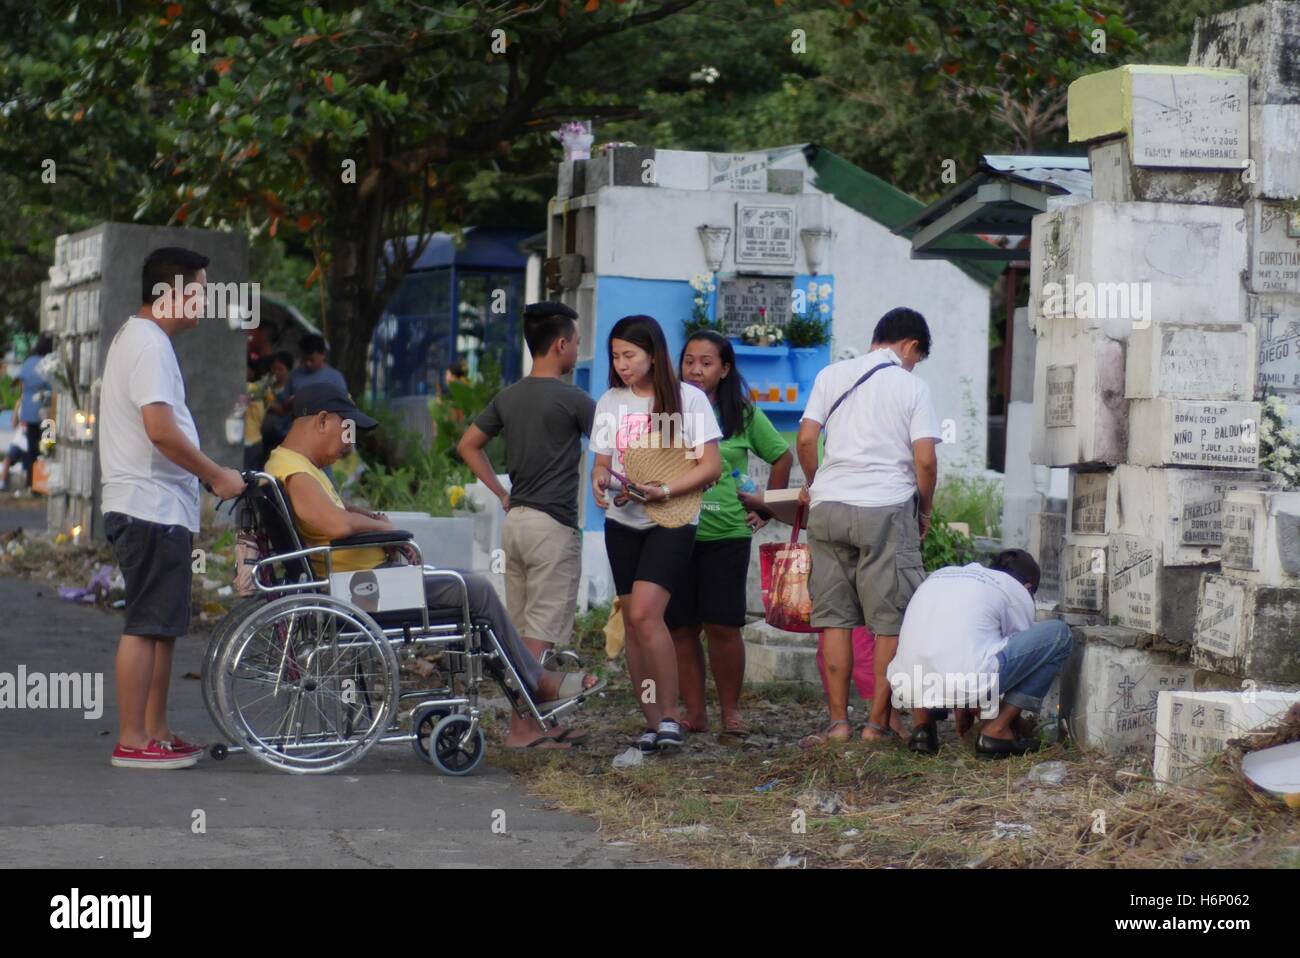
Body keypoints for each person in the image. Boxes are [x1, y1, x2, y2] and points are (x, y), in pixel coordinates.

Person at [265, 381, 599, 717]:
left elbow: (334, 514)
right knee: (473, 589)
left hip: (354, 585)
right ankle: (535, 682)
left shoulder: (293, 466)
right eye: (346, 430)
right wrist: (387, 531)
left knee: (461, 587)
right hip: (354, 592)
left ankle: (525, 679)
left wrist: (366, 518)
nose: (350, 443)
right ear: (322, 421)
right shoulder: (295, 471)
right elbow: (335, 526)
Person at [102, 247, 247, 769]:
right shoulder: (146, 343)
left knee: (162, 624)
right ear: (168, 292)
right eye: (199, 291)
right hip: (147, 507)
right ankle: (133, 739)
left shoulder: (146, 340)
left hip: (160, 507)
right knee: (145, 623)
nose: (204, 302)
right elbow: (160, 431)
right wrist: (215, 475)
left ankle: (155, 731)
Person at [796, 307, 941, 747]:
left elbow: (805, 439)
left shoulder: (831, 375)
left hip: (829, 508)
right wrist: (925, 510)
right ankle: (876, 725)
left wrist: (816, 483)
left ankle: (838, 724)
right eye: (917, 357)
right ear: (911, 346)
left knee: (835, 620)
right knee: (889, 622)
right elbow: (926, 460)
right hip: (886, 507)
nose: (914, 364)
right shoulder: (912, 386)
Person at [457, 301, 600, 749]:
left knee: (519, 634)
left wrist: (501, 492)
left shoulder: (509, 396)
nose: (578, 350)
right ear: (561, 345)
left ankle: (537, 723)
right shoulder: (574, 399)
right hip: (551, 528)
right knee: (537, 637)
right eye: (576, 342)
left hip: (515, 524)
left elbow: (468, 445)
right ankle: (523, 728)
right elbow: (617, 443)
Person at [589, 315, 722, 752]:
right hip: (623, 522)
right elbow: (602, 465)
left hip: (673, 518)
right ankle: (650, 721)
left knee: (647, 614)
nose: (622, 364)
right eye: (615, 356)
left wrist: (662, 490)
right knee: (632, 621)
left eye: (630, 355)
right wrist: (604, 484)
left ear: (653, 354)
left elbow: (709, 465)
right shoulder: (611, 401)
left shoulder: (689, 400)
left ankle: (670, 717)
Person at [668, 331, 791, 735]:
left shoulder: (742, 414)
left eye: (706, 362)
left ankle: (730, 713)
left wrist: (767, 508)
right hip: (674, 530)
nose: (696, 370)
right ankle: (695, 714)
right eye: (689, 361)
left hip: (726, 533)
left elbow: (782, 455)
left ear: (724, 369)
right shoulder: (668, 410)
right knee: (682, 627)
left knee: (722, 625)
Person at [888, 549, 1072, 758]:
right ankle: (997, 731)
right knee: (1059, 635)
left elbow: (957, 646)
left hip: (906, 685)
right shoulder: (1014, 590)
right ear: (1028, 587)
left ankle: (923, 730)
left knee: (925, 645)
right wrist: (993, 711)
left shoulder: (944, 575)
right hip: (963, 680)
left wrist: (966, 706)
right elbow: (1021, 660)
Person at [12, 334, 53, 492]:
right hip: (46, 411)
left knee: (31, 449)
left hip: (28, 410)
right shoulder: (47, 363)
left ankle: (31, 483)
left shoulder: (28, 362)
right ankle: (43, 482)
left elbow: (21, 383)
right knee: (48, 447)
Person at [259, 349, 295, 454]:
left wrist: (269, 404)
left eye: (280, 369)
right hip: (264, 434)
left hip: (282, 435)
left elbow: (283, 411)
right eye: (274, 368)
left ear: (288, 370)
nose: (276, 372)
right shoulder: (266, 385)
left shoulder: (291, 388)